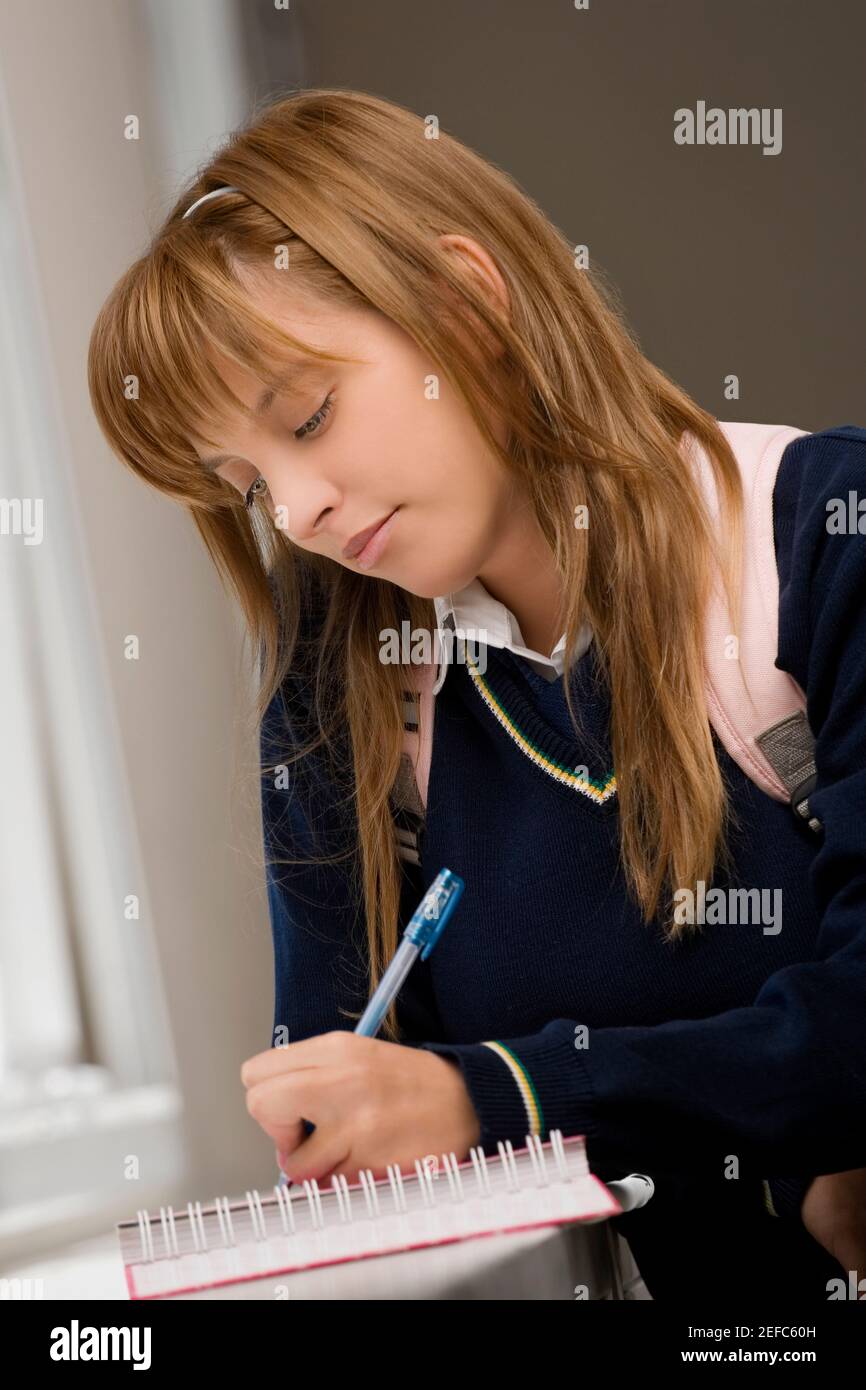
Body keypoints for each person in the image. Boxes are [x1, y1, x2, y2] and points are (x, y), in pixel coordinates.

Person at [88, 88, 866, 1300]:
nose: (296, 514)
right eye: (246, 484)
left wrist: (487, 1096)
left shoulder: (820, 535)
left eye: (309, 414)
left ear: (466, 300)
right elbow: (356, 1122)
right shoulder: (342, 694)